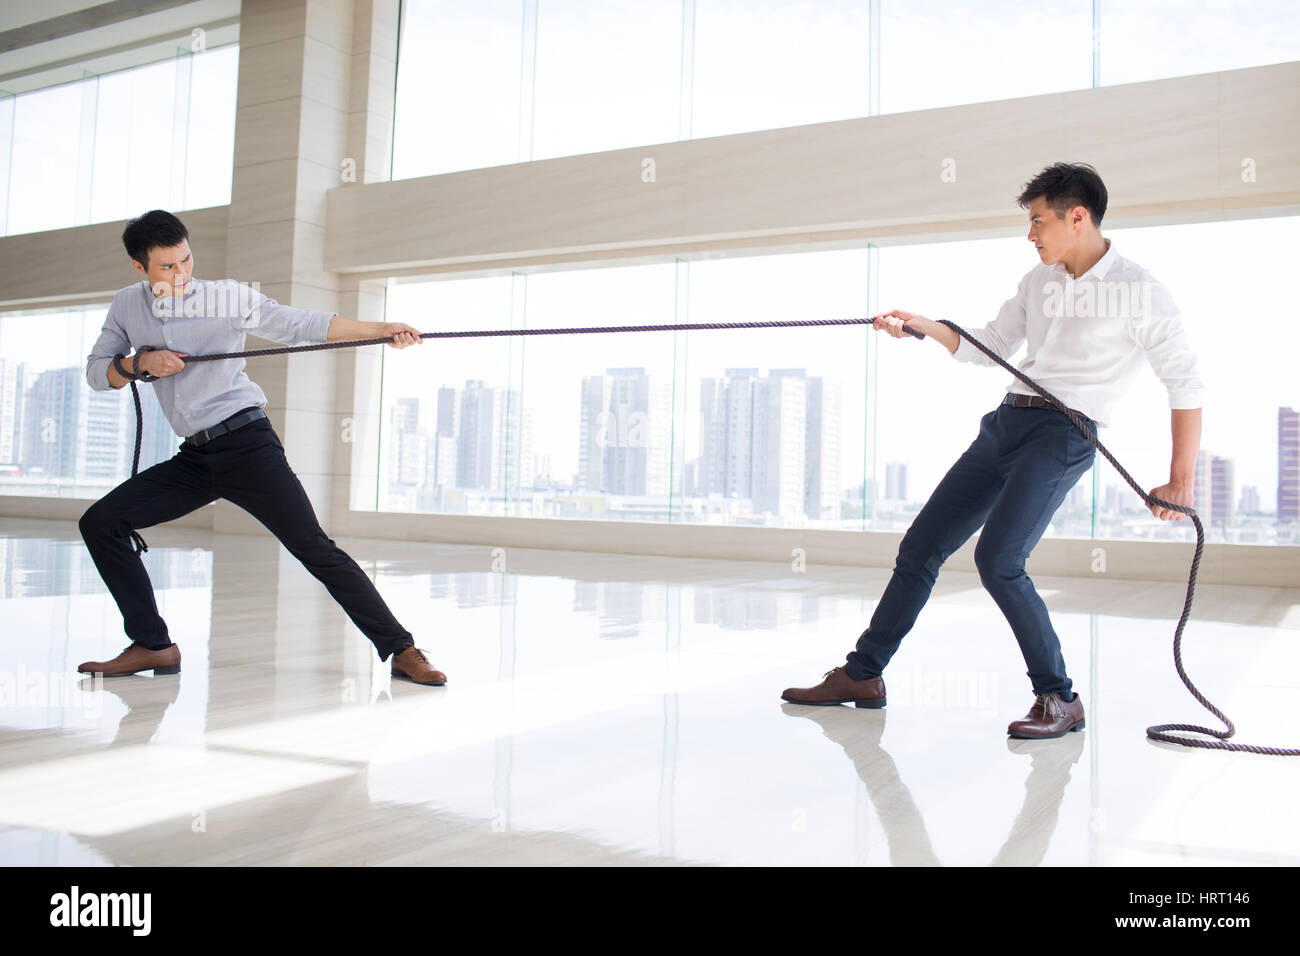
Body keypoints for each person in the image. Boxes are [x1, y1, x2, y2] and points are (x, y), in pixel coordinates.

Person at [782, 163, 1205, 738]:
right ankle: (863, 675)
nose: (1030, 235)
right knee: (922, 547)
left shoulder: (1139, 290)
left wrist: (1180, 480)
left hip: (1065, 434)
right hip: (1006, 423)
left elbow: (1184, 382)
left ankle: (1058, 698)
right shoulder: (1040, 281)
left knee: (999, 561)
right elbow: (995, 345)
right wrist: (922, 325)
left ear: (1076, 217)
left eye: (1038, 221)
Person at [77, 209, 446, 686]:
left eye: (186, 260)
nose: (181, 274)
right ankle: (154, 645)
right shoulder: (127, 306)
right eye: (167, 267)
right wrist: (139, 362)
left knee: (313, 547)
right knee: (101, 522)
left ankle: (401, 649)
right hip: (195, 458)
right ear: (139, 268)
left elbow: (299, 324)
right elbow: (96, 373)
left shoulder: (227, 296)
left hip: (248, 445)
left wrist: (379, 329)